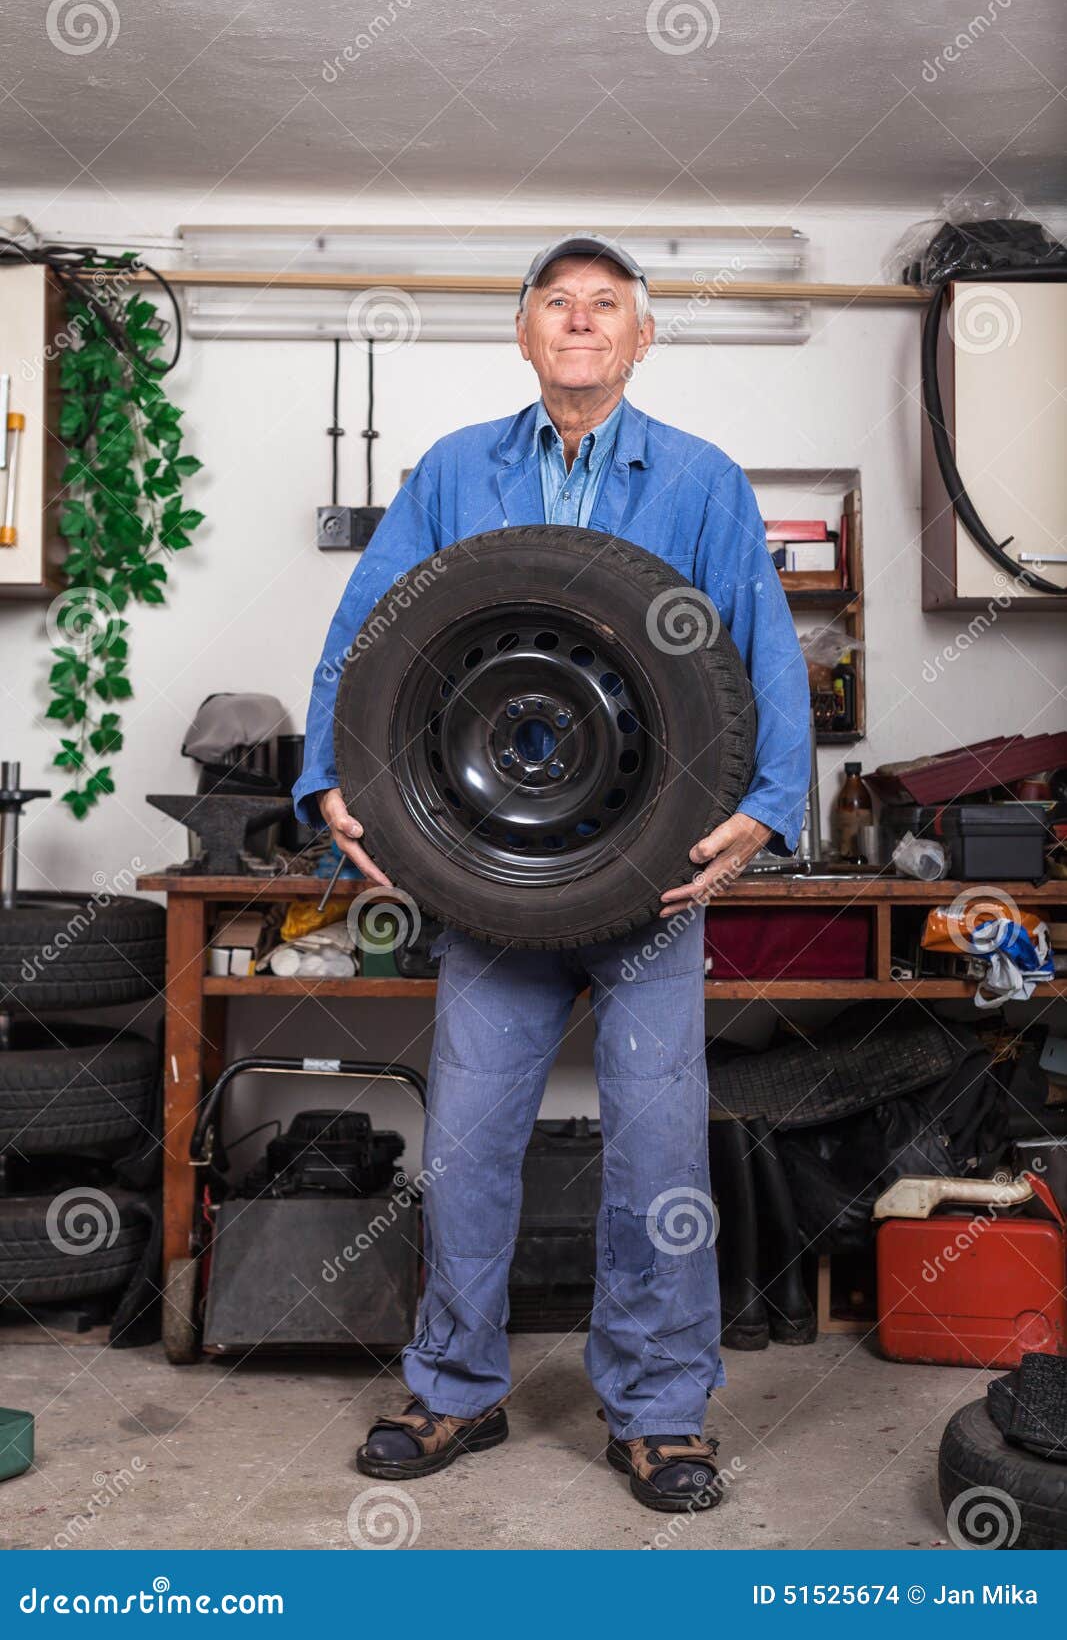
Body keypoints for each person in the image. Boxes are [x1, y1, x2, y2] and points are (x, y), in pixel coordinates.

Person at [292, 233, 810, 1513]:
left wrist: (762, 808)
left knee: (654, 1152)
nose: (580, 323)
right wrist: (327, 779)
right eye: (556, 305)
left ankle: (656, 1410)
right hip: (492, 872)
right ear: (523, 334)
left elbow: (759, 642)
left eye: (605, 307)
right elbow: (371, 631)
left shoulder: (697, 480)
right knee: (465, 1144)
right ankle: (453, 1388)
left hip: (649, 871)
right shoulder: (454, 472)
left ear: (641, 339)